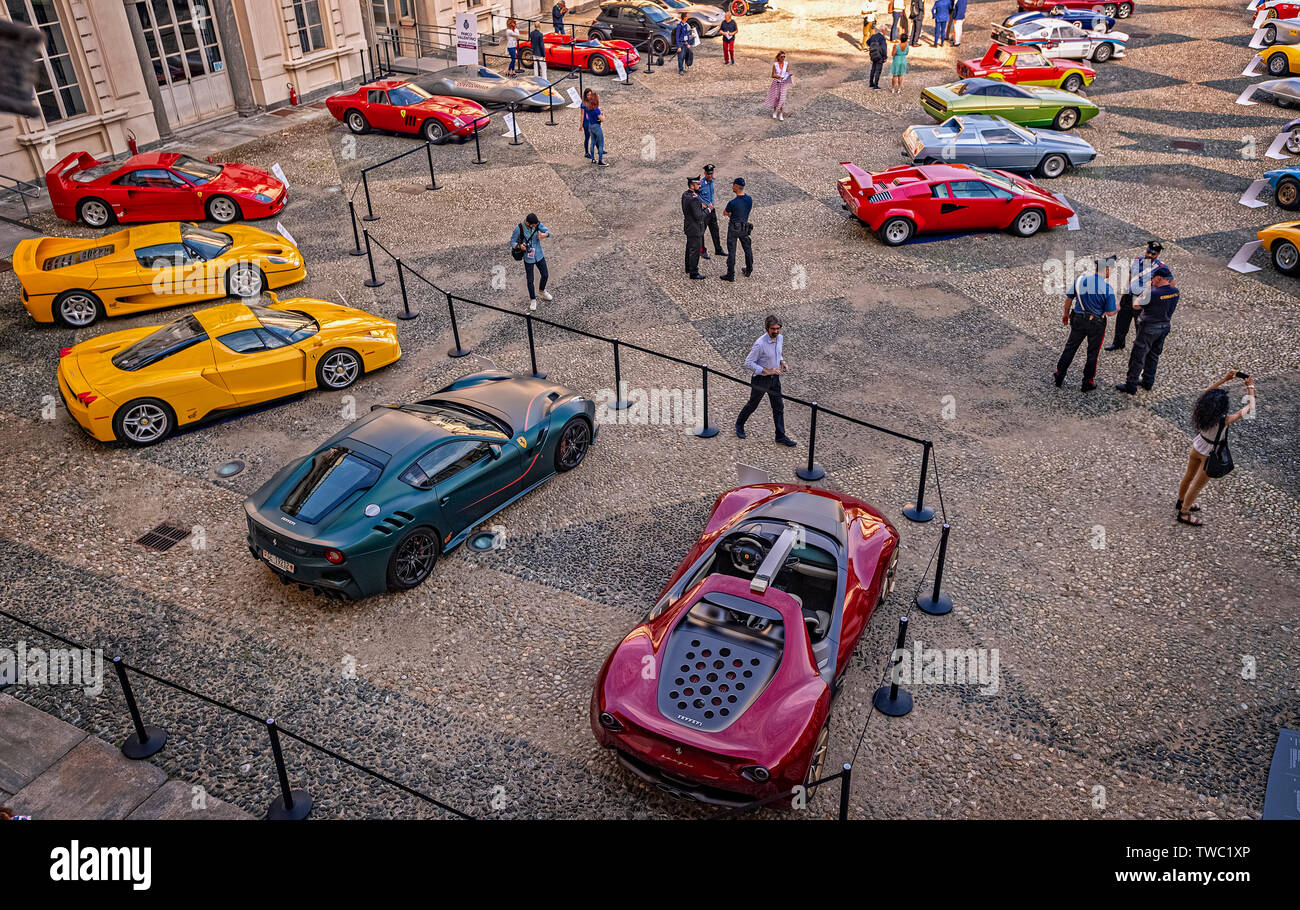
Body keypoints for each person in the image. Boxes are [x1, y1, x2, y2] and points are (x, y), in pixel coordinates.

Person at [1177, 369, 1255, 526]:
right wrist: (1250, 387)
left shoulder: (1201, 409)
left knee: (1189, 476)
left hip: (1197, 446)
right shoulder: (1224, 420)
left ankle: (1180, 501)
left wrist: (1224, 379)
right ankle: (1184, 512)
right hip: (1210, 454)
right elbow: (1250, 409)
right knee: (1197, 485)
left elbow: (1208, 392)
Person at [1053, 257, 1118, 391]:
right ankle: (1087, 381)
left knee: (1070, 348)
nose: (1111, 272)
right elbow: (1110, 313)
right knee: (1092, 353)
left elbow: (1069, 299)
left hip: (1077, 319)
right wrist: (1118, 307)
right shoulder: (1107, 288)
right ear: (1106, 270)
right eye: (1111, 269)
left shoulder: (1080, 280)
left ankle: (1060, 374)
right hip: (1096, 323)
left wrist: (1065, 314)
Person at [736, 315, 797, 447]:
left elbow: (777, 353)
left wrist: (782, 362)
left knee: (778, 407)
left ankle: (780, 436)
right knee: (752, 405)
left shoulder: (780, 338)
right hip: (761, 380)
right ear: (767, 328)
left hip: (775, 379)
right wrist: (767, 370)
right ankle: (739, 424)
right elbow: (749, 362)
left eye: (778, 329)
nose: (776, 331)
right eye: (773, 329)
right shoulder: (760, 344)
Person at [1116, 266, 1178, 394]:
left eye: (1153, 279)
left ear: (1159, 278)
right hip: (1164, 326)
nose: (1152, 281)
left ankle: (1131, 385)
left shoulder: (1153, 293)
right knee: (1153, 355)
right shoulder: (1175, 291)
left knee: (1138, 357)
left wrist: (1148, 288)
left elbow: (1136, 304)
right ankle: (1148, 382)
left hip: (1149, 327)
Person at [1106, 240, 1165, 350]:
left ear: (1158, 254)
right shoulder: (1137, 260)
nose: (1149, 255)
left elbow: (1167, 284)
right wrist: (1124, 292)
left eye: (1153, 254)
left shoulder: (1161, 267)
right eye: (1148, 251)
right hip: (1129, 295)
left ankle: (1141, 347)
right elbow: (1130, 276)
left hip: (1143, 300)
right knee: (1121, 322)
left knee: (1140, 325)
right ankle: (1118, 343)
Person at [510, 213, 552, 310]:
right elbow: (512, 242)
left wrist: (544, 235)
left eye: (536, 225)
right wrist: (520, 246)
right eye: (533, 225)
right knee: (530, 280)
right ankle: (533, 299)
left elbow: (548, 232)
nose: (535, 226)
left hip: (539, 254)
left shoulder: (536, 224)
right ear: (528, 223)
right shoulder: (519, 228)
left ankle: (542, 290)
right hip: (528, 257)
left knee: (545, 274)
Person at [720, 177, 753, 282]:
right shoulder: (749, 199)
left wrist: (732, 214)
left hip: (734, 229)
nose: (732, 186)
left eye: (733, 185)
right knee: (747, 249)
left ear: (736, 186)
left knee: (732, 251)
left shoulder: (732, 202)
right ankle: (749, 269)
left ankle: (730, 275)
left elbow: (725, 213)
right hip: (744, 228)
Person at [682, 175, 709, 279]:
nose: (699, 185)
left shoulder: (685, 195)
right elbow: (699, 217)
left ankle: (688, 267)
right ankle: (694, 272)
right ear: (692, 186)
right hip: (695, 228)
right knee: (695, 251)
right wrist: (708, 210)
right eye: (697, 184)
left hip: (689, 226)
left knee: (689, 248)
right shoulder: (695, 199)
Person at [699, 164, 724, 259]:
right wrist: (701, 204)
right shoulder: (701, 184)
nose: (710, 175)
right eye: (709, 174)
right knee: (701, 231)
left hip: (712, 210)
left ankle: (718, 249)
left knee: (715, 230)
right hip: (704, 211)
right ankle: (702, 251)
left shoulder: (712, 181)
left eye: (712, 173)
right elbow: (695, 196)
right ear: (705, 173)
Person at [585, 91, 608, 167]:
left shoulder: (588, 107)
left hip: (591, 126)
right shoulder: (596, 110)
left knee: (593, 142)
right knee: (601, 143)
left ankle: (593, 159)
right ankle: (600, 161)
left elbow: (589, 114)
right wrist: (603, 114)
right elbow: (602, 119)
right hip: (597, 126)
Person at [766, 51, 790, 120]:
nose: (783, 58)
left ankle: (781, 114)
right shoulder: (775, 64)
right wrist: (778, 76)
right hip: (776, 83)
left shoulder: (786, 64)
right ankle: (775, 111)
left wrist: (788, 75)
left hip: (783, 83)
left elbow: (787, 73)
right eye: (782, 56)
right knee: (776, 97)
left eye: (784, 56)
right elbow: (772, 75)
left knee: (782, 98)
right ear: (778, 57)